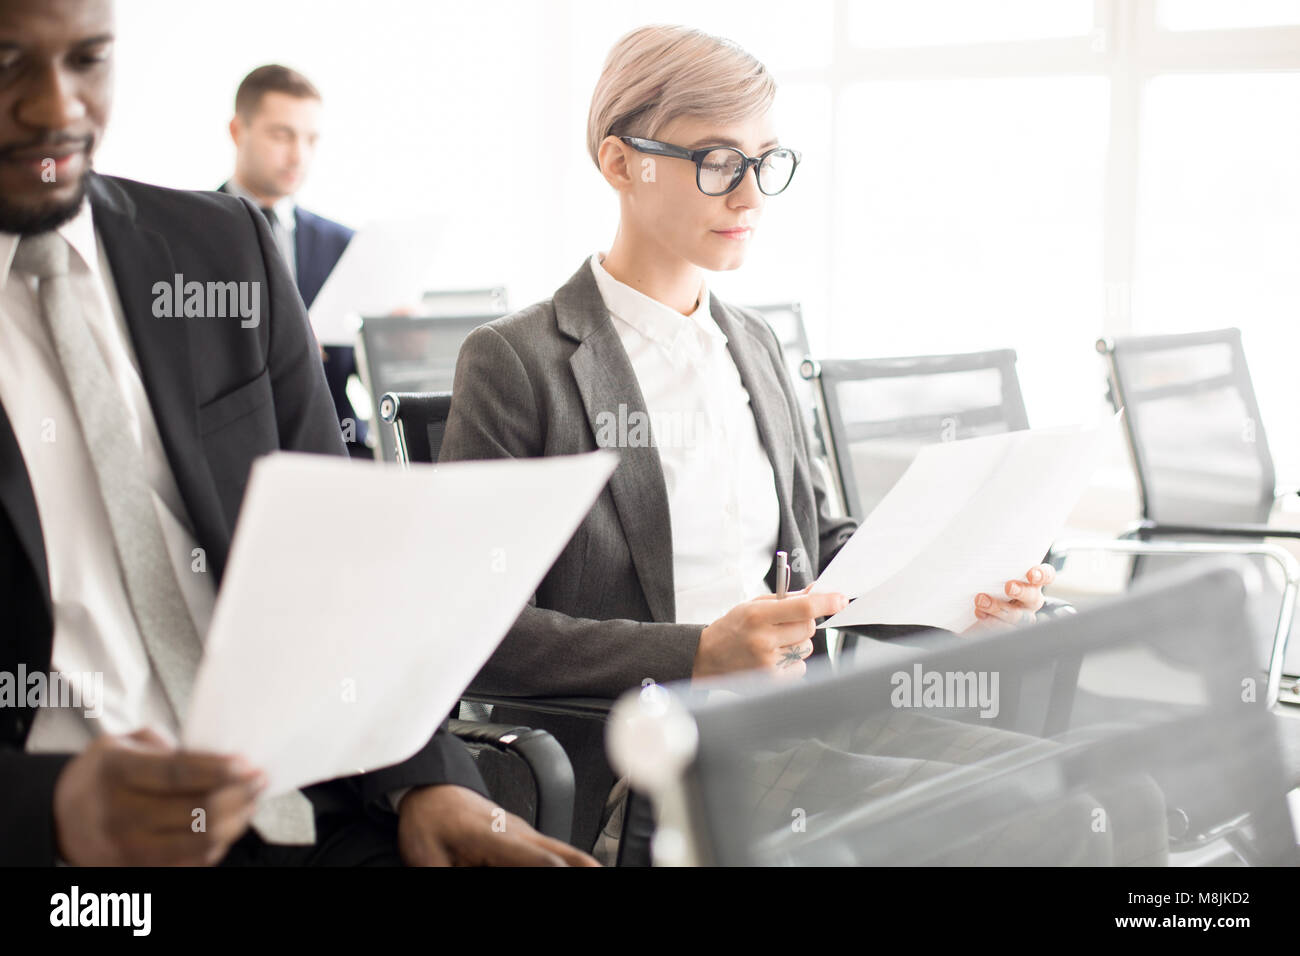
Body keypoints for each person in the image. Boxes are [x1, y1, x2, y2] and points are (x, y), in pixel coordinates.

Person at [0, 0, 593, 867]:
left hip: (314, 809)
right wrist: (50, 809)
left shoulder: (221, 248)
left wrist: (429, 779)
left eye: (88, 60)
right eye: (8, 62)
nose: (57, 109)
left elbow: (340, 559)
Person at [438, 24, 1056, 854]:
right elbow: (480, 629)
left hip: (805, 719)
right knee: (990, 819)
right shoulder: (518, 362)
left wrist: (956, 598)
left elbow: (817, 547)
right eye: (719, 162)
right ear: (622, 163)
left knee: (1095, 789)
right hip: (661, 752)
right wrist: (697, 652)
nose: (752, 197)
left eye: (765, 162)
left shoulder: (754, 343)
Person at [219, 64, 372, 459]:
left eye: (311, 140)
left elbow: (363, 376)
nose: (298, 155)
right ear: (238, 132)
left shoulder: (344, 245)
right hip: (232, 455)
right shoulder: (184, 234)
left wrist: (391, 347)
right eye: (282, 135)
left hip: (336, 454)